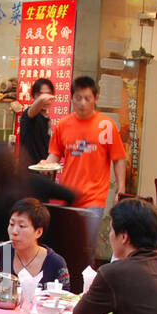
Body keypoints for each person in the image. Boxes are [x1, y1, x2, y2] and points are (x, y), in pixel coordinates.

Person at [46, 75, 126, 258]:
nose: (82, 103)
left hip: (94, 198)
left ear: (96, 98)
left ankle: (85, 285)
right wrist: (45, 164)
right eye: (78, 98)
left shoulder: (106, 125)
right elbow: (54, 154)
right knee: (64, 247)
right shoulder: (63, 125)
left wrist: (121, 188)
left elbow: (119, 158)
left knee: (85, 248)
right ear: (72, 98)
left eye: (87, 98)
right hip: (67, 198)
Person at [0, 140, 76, 244]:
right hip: (40, 247)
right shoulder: (35, 181)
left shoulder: (0, 196)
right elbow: (70, 195)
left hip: (11, 252)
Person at [0, 197, 70, 289]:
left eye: (22, 226)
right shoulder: (2, 253)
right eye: (11, 224)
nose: (14, 232)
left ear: (38, 232)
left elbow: (66, 297)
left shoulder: (54, 263)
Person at [17, 77, 54, 165]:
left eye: (48, 94)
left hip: (44, 170)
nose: (45, 99)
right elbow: (32, 111)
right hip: (29, 172)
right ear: (33, 96)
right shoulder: (29, 114)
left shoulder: (46, 118)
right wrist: (41, 99)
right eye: (40, 95)